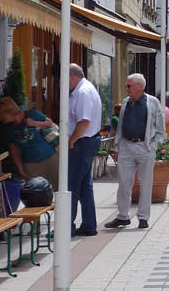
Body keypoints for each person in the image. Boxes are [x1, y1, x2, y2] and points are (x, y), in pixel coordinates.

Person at [105, 73, 167, 230]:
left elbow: (161, 128)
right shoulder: (126, 102)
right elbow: (120, 125)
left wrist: (153, 145)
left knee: (146, 184)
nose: (126, 89)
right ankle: (122, 216)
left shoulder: (152, 102)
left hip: (144, 146)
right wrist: (118, 145)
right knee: (124, 183)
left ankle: (143, 217)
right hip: (126, 145)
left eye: (129, 86)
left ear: (140, 87)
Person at [67, 64, 102, 237]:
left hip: (82, 143)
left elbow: (84, 121)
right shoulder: (84, 90)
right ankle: (89, 224)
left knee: (72, 185)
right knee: (83, 185)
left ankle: (67, 226)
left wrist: (71, 141)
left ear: (72, 77)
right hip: (85, 142)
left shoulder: (82, 92)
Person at [0, 97, 58, 183]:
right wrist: (21, 171)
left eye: (1, 114)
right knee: (35, 193)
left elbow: (49, 123)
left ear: (9, 111)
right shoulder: (10, 129)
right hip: (30, 165)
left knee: (57, 191)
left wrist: (34, 123)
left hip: (49, 159)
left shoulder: (32, 114)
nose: (0, 117)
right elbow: (15, 152)